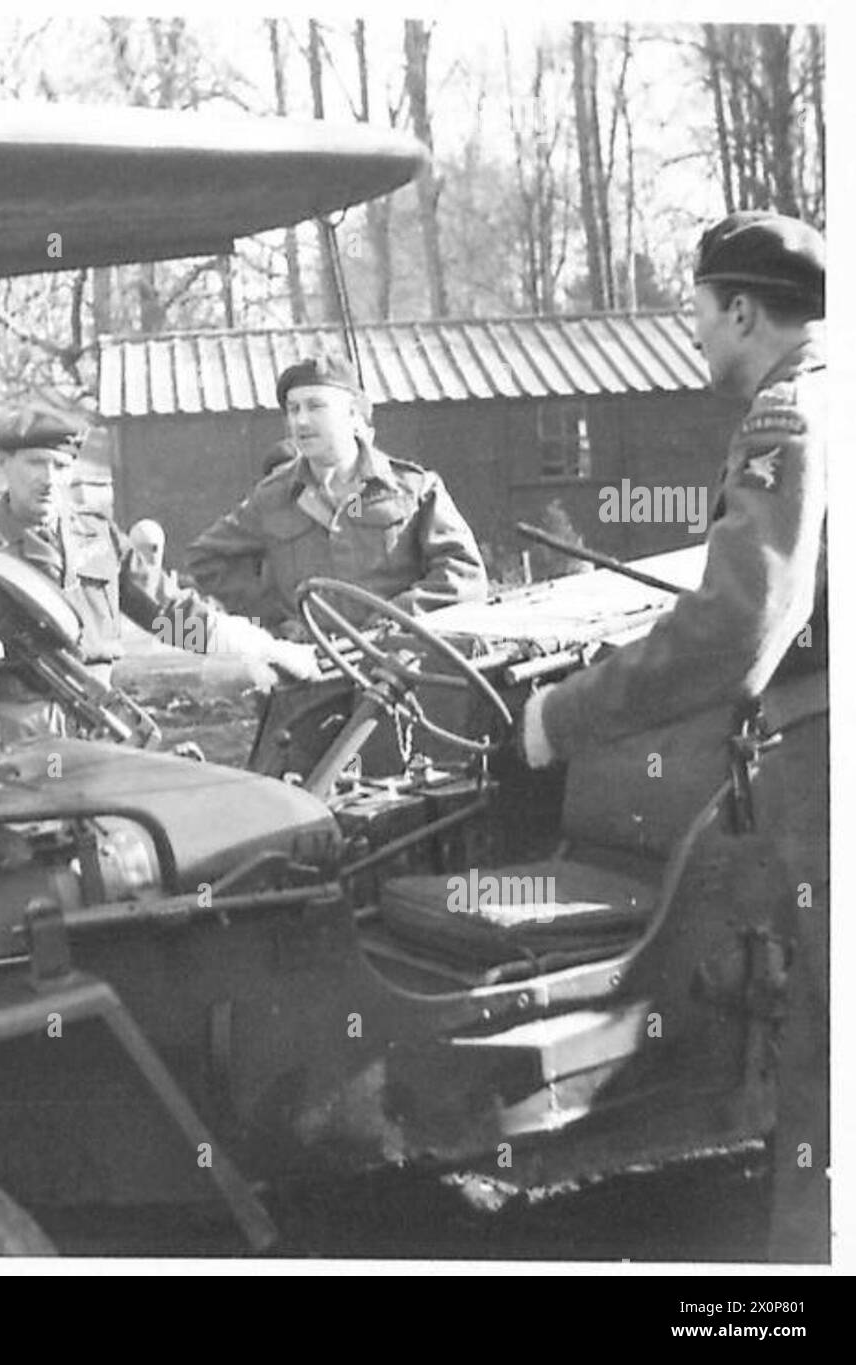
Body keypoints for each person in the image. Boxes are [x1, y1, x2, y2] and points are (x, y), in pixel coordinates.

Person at [519, 211, 826, 1262]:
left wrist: (564, 717)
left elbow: (741, 623)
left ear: (741, 309)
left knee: (823, 1083)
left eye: (698, 314)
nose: (693, 335)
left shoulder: (790, 412)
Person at [0, 409, 320, 746]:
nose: (48, 478)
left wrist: (266, 649)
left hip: (100, 713)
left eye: (59, 466)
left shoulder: (100, 537)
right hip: (19, 720)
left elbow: (167, 615)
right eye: (35, 463)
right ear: (3, 464)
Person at [183, 355, 487, 636]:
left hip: (400, 663)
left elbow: (464, 574)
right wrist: (278, 618)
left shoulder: (412, 489)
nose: (301, 421)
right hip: (311, 673)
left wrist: (396, 617)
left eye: (315, 406)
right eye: (293, 409)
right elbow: (207, 559)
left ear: (352, 413)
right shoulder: (274, 497)